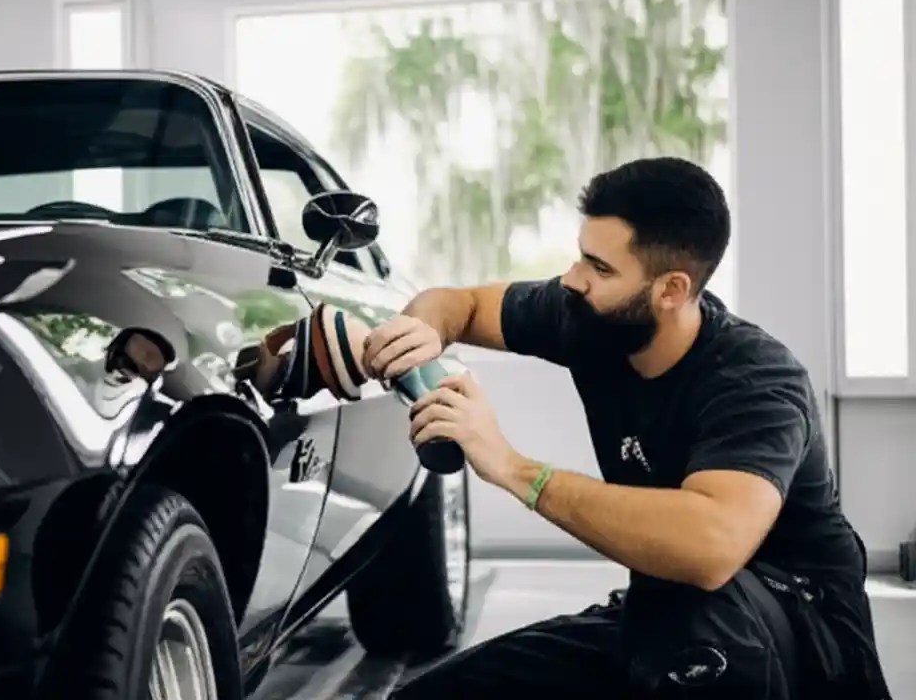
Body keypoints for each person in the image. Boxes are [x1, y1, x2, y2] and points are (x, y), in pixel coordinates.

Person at [361, 157, 891, 699]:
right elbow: (462, 304)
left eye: (600, 267)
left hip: (797, 637)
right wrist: (420, 332)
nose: (573, 278)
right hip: (667, 618)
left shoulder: (757, 380)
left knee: (693, 621)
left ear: (671, 289)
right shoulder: (588, 315)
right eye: (581, 255)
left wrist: (512, 467)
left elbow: (709, 546)